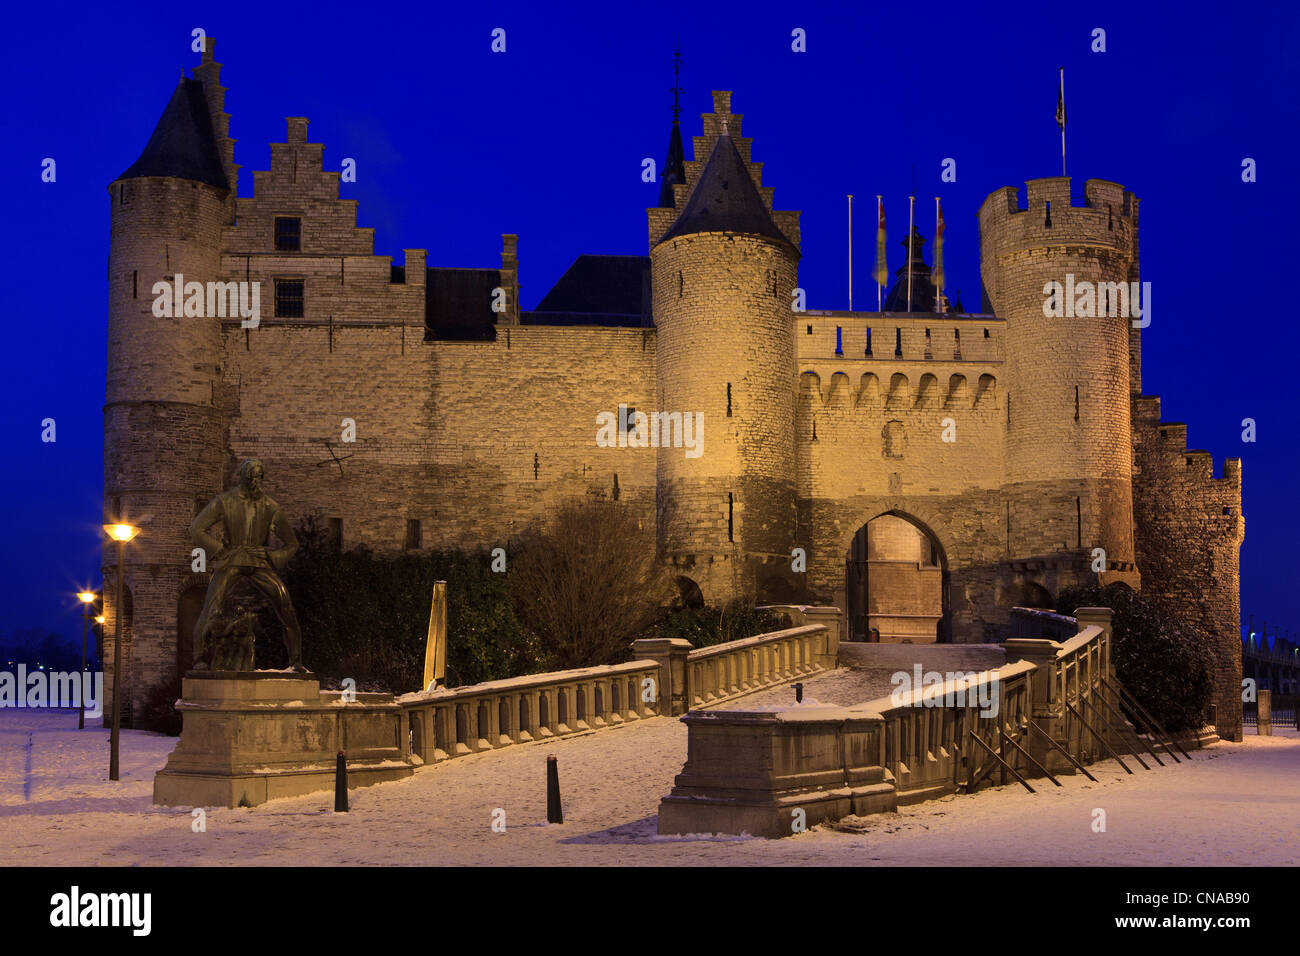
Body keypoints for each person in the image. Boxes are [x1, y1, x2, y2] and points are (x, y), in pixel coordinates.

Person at [190, 459, 306, 672]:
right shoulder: (224, 501)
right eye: (250, 476)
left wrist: (271, 555)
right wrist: (219, 550)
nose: (254, 481)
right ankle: (199, 659)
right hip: (232, 559)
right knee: (211, 607)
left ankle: (296, 661)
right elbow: (197, 528)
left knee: (285, 605)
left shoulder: (271, 507)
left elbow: (292, 543)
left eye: (258, 477)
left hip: (259, 561)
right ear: (242, 476)